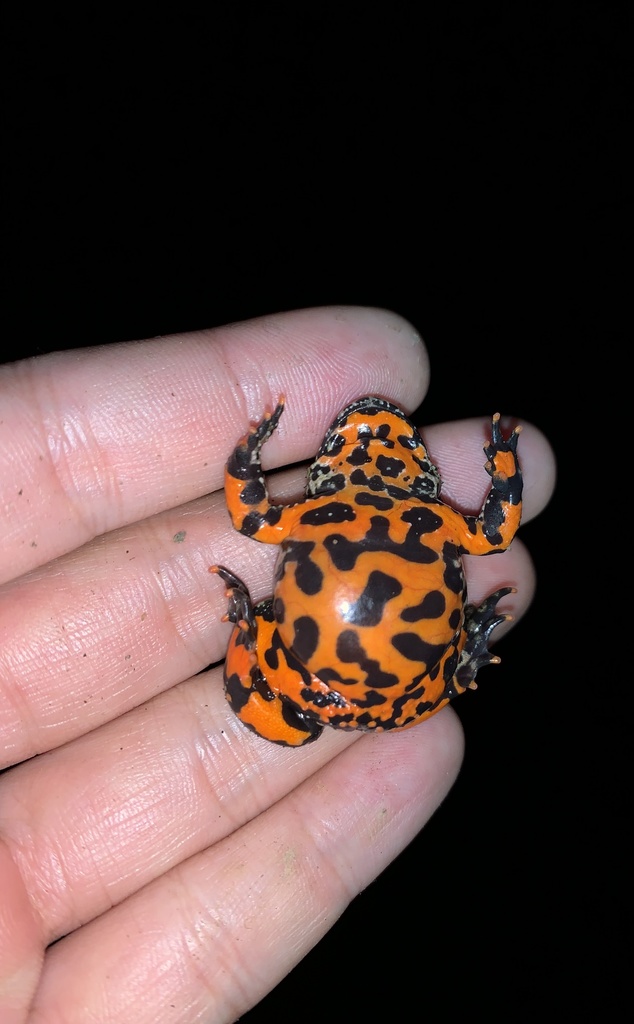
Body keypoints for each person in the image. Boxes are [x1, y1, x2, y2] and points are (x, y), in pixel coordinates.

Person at [0, 305, 556, 1022]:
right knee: (408, 688)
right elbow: (497, 530)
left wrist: (249, 453)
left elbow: (251, 513)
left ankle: (295, 629)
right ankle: (463, 649)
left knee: (286, 650)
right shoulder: (437, 521)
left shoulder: (320, 513)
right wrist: (501, 458)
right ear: (420, 475)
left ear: (330, 469)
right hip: (392, 696)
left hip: (331, 681)